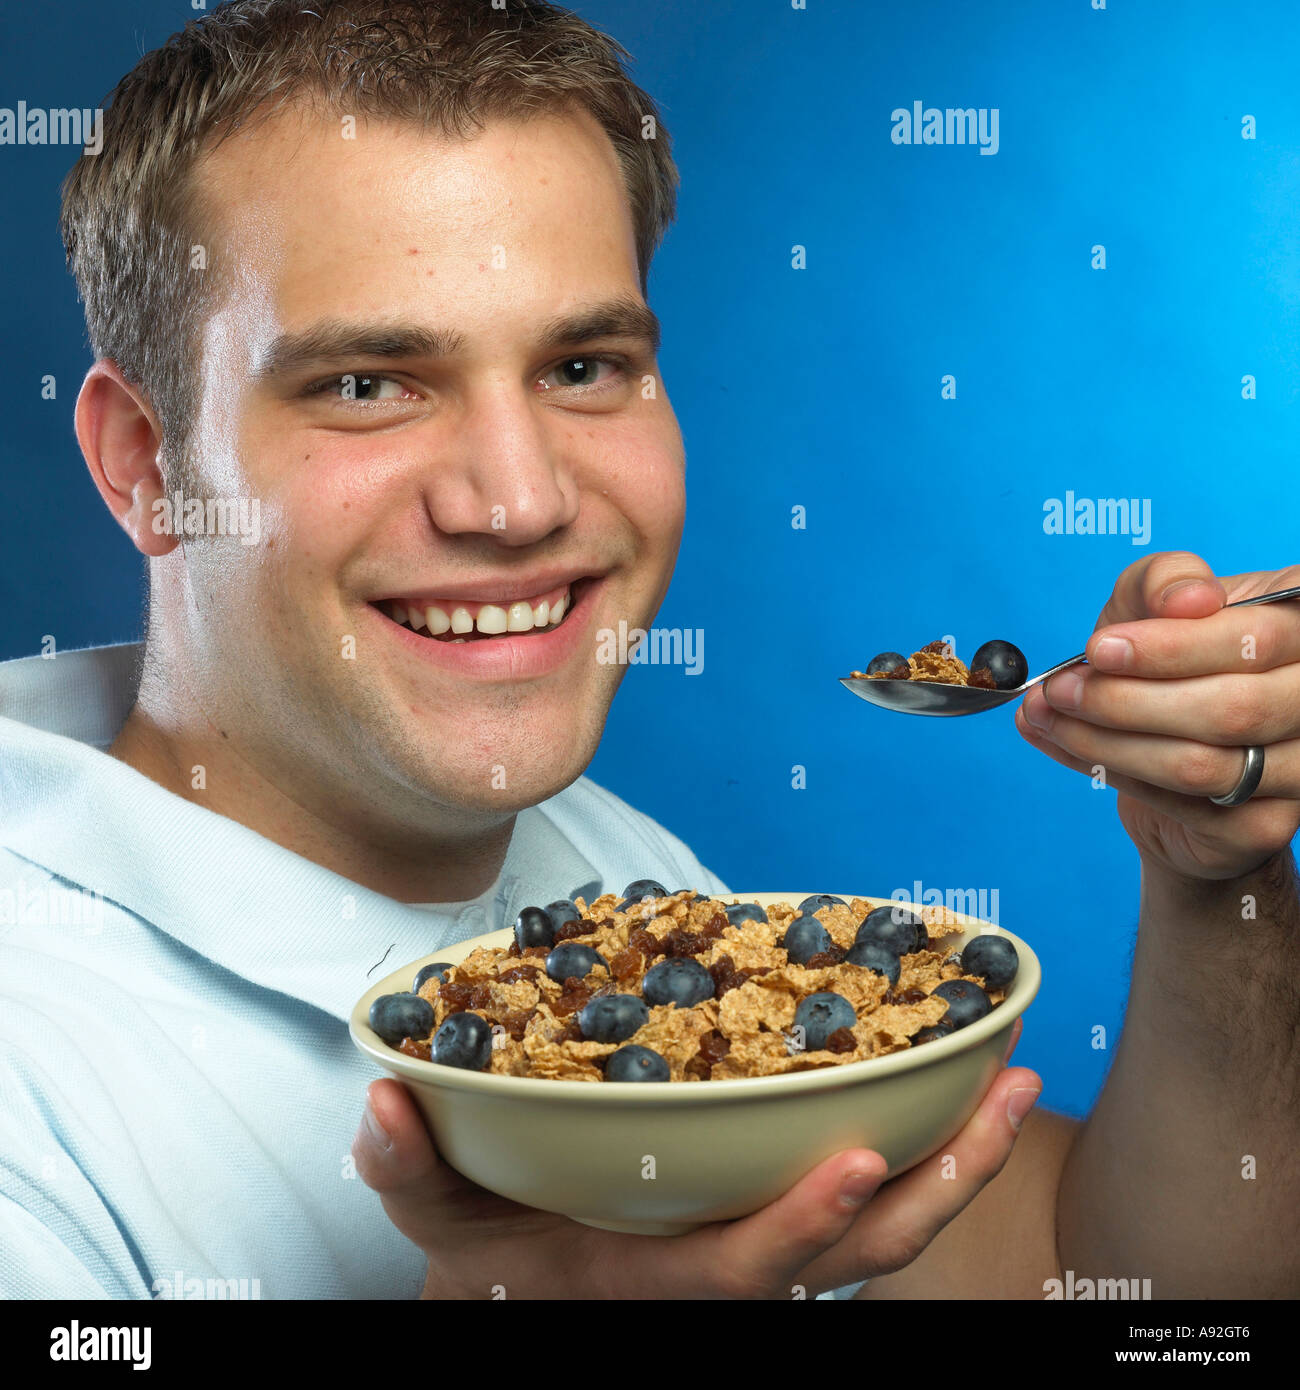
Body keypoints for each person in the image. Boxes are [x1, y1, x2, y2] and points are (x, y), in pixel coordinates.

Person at [2, 0, 1295, 1302]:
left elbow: (1111, 1284)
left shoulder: (615, 886)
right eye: (366, 383)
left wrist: (1217, 876)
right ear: (146, 464)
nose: (519, 502)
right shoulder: (33, 1082)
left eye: (580, 364)